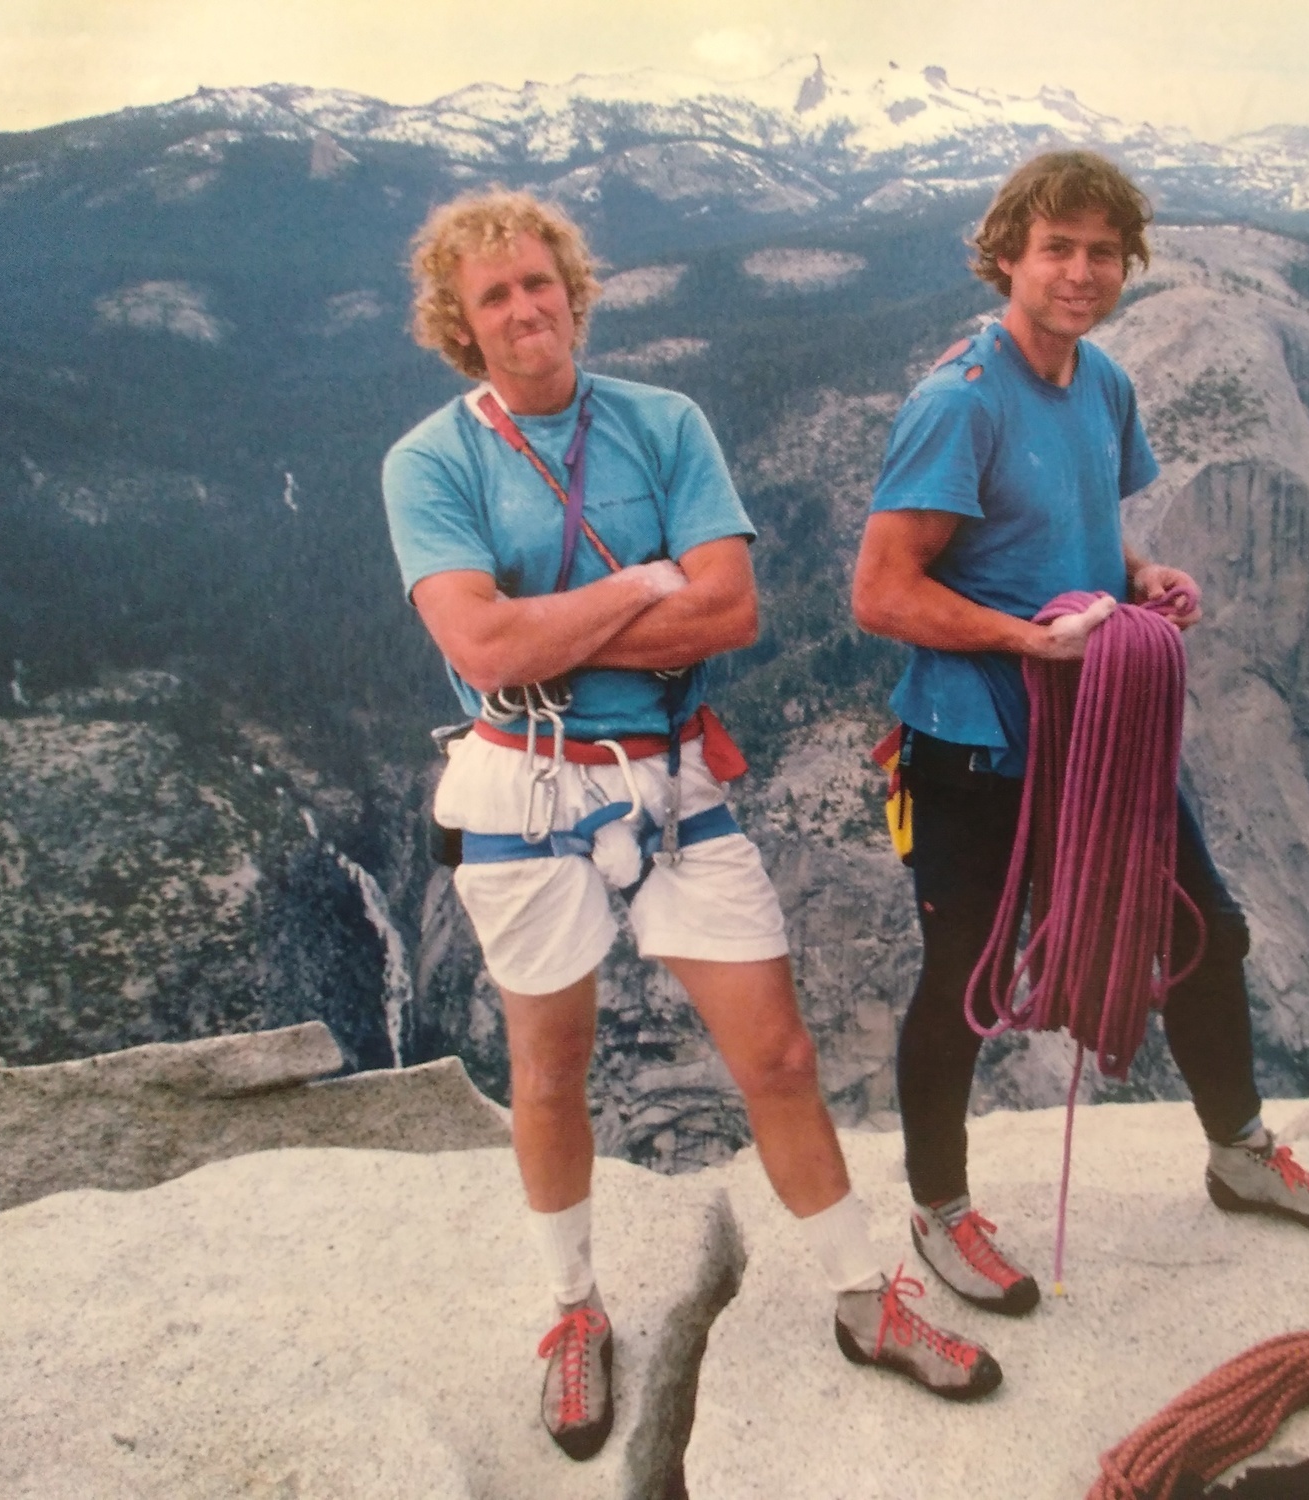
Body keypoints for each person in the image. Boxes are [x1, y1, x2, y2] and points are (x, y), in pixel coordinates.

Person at [382, 189, 1001, 1459]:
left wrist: (549, 627)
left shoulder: (662, 423)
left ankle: (860, 1296)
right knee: (548, 1068)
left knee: (776, 1053)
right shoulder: (429, 460)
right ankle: (573, 1312)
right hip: (520, 788)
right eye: (493, 294)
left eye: (538, 281)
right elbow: (480, 651)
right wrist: (637, 584)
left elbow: (727, 612)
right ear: (460, 321)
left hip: (668, 780)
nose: (524, 307)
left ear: (572, 290)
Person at [851, 151, 1309, 1319]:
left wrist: (1140, 576)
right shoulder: (959, 400)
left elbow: (1081, 525)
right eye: (1057, 249)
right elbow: (880, 592)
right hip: (972, 745)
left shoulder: (1102, 385)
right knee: (966, 976)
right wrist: (1027, 643)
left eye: (1101, 252)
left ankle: (1238, 1154)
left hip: (1095, 737)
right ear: (1006, 257)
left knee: (1199, 931)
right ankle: (939, 1213)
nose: (1080, 273)